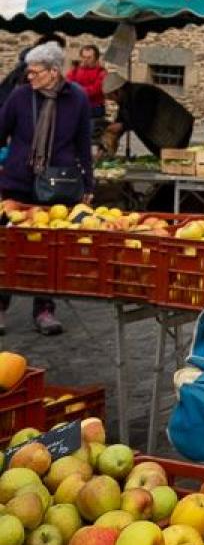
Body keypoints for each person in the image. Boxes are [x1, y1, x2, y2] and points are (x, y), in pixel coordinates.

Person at [0, 40, 95, 336]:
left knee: (47, 250)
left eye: (35, 72)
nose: (29, 76)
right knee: (8, 246)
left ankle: (44, 309)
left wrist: (88, 183)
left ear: (53, 72)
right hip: (17, 182)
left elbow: (83, 143)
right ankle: (0, 305)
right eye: (28, 71)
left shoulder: (77, 98)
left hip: (58, 185)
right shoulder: (19, 96)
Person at [102, 75, 195, 157]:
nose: (112, 100)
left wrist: (122, 126)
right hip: (165, 131)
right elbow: (122, 119)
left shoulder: (143, 93)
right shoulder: (125, 99)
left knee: (172, 157)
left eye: (111, 97)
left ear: (118, 91)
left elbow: (143, 120)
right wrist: (105, 145)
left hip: (176, 127)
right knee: (166, 156)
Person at [67, 45, 107, 142]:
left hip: (94, 109)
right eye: (83, 57)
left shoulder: (101, 73)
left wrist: (76, 90)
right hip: (76, 109)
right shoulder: (75, 71)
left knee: (90, 139)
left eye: (89, 57)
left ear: (96, 58)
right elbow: (67, 85)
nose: (85, 60)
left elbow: (95, 90)